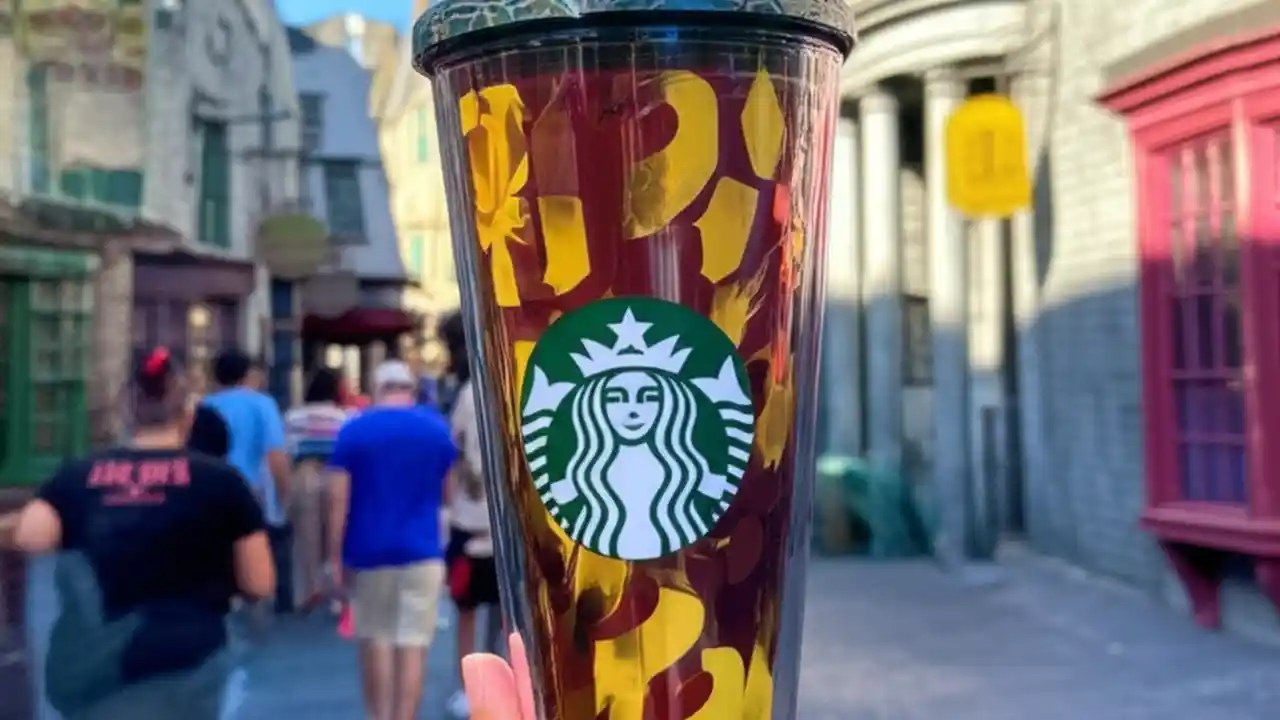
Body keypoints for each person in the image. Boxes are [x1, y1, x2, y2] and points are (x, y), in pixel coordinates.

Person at [1, 347, 274, 719]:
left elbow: (31, 536)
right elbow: (258, 582)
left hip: (100, 664)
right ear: (188, 413)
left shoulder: (78, 476)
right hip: (191, 660)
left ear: (125, 411)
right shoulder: (222, 481)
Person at [326, 360, 456, 720]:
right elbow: (449, 492)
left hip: (369, 552)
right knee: (413, 642)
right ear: (410, 388)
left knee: (376, 638)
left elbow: (337, 499)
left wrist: (333, 556)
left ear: (376, 388)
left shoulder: (354, 430)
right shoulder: (435, 428)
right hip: (423, 550)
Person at [440, 312, 503, 718]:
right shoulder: (506, 382)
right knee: (506, 614)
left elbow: (455, 452)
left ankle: (470, 689)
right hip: (504, 525)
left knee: (466, 610)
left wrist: (449, 506)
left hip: (469, 520)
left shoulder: (467, 393)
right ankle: (500, 686)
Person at [201, 348, 294, 615]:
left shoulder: (205, 406)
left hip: (211, 488)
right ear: (247, 374)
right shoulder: (262, 404)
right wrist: (284, 495)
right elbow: (275, 454)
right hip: (251, 489)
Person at [284, 367, 350, 612]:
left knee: (306, 534)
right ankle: (336, 591)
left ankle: (310, 589)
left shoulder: (294, 417)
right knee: (336, 534)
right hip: (337, 474)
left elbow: (287, 450)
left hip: (305, 473)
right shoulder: (344, 418)